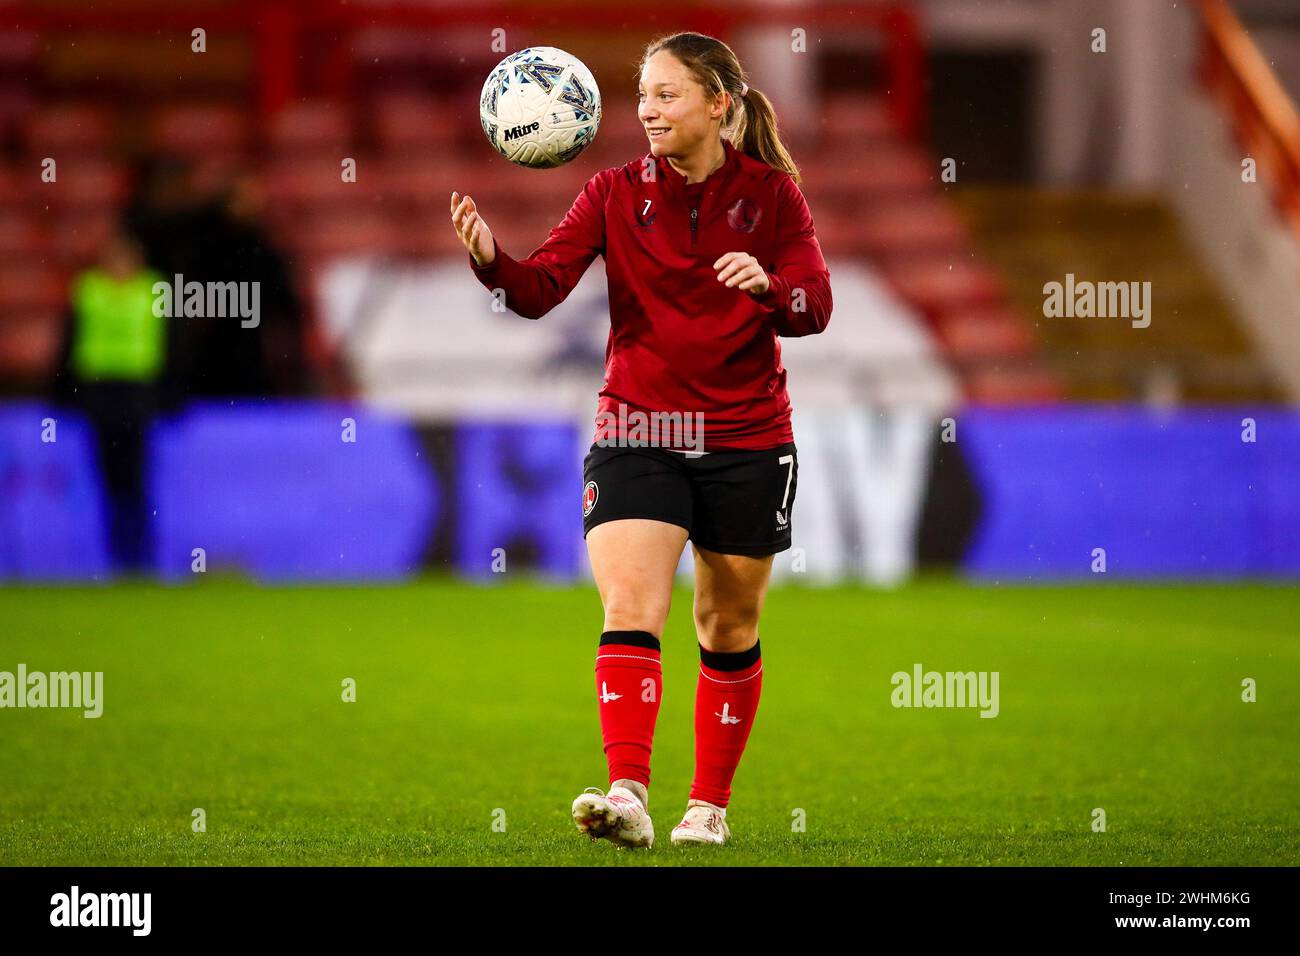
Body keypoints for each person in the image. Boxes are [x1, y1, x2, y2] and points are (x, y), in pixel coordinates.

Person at [450, 32, 832, 848]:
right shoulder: (614, 192)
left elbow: (814, 307)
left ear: (717, 104)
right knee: (629, 605)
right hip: (638, 428)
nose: (649, 112)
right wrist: (492, 263)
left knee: (726, 626)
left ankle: (709, 808)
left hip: (746, 434)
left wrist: (769, 287)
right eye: (644, 95)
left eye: (668, 95)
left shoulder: (772, 197)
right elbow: (542, 287)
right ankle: (628, 794)